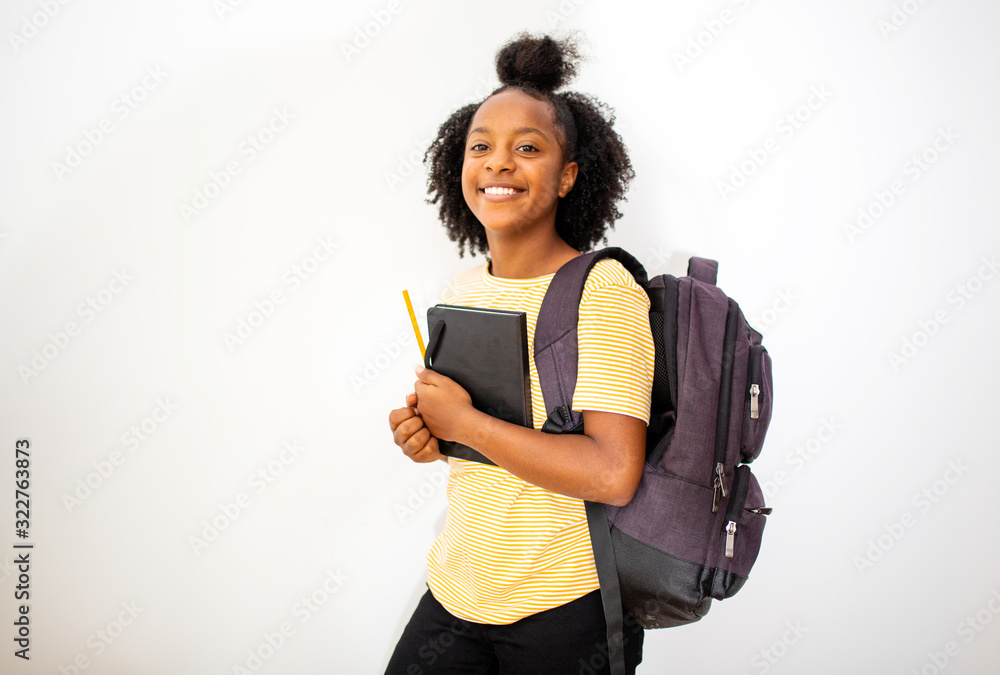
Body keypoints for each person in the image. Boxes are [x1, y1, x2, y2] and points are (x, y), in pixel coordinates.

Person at [386, 31, 654, 675]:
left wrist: (466, 424)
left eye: (526, 148)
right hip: (455, 593)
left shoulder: (603, 289)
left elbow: (613, 473)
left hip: (564, 614)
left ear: (567, 177)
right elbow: (473, 442)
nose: (498, 163)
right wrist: (428, 434)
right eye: (481, 147)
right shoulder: (465, 288)